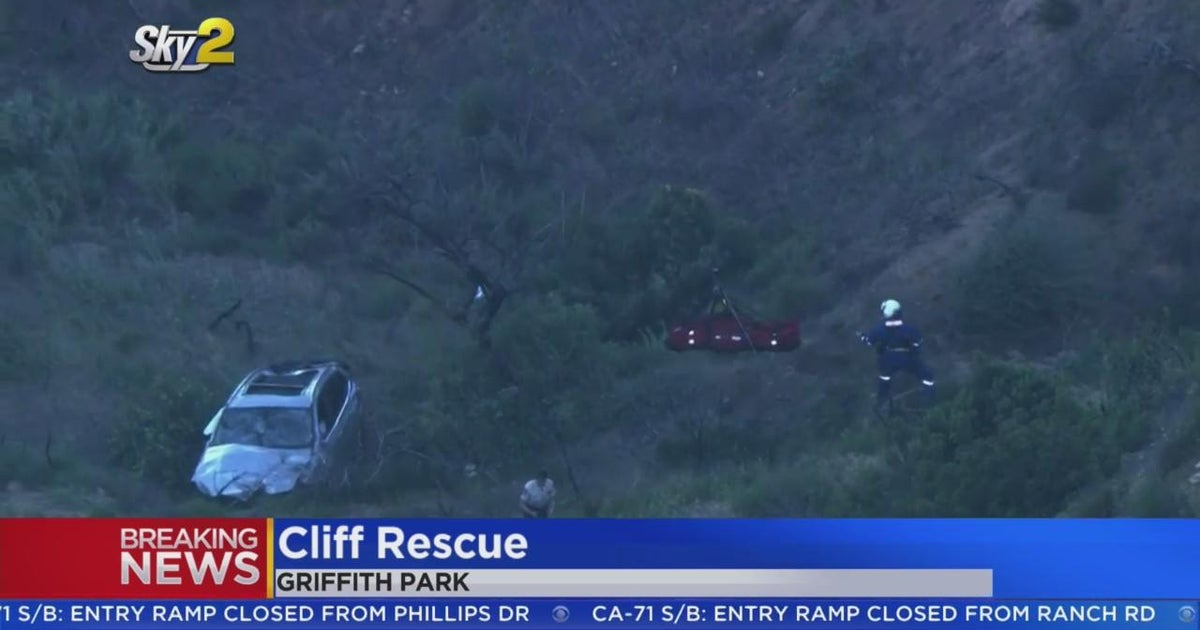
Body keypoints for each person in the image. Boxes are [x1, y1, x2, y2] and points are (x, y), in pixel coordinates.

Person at [858, 299, 935, 410]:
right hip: (907, 358)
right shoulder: (909, 329)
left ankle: (881, 403)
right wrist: (915, 351)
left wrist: (862, 337)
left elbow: (869, 342)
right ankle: (929, 400)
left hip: (888, 359)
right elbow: (918, 342)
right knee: (927, 376)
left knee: (884, 378)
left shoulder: (879, 329)